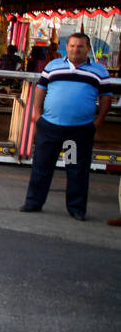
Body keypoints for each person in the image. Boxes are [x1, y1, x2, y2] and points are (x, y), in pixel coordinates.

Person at [19, 33, 112, 221]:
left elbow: (106, 98)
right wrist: (38, 116)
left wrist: (98, 122)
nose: (75, 49)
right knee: (42, 166)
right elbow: (40, 91)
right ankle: (33, 202)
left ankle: (76, 208)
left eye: (80, 46)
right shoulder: (53, 66)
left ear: (87, 48)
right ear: (66, 47)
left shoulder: (99, 71)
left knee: (75, 168)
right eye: (72, 46)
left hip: (78, 132)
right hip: (51, 128)